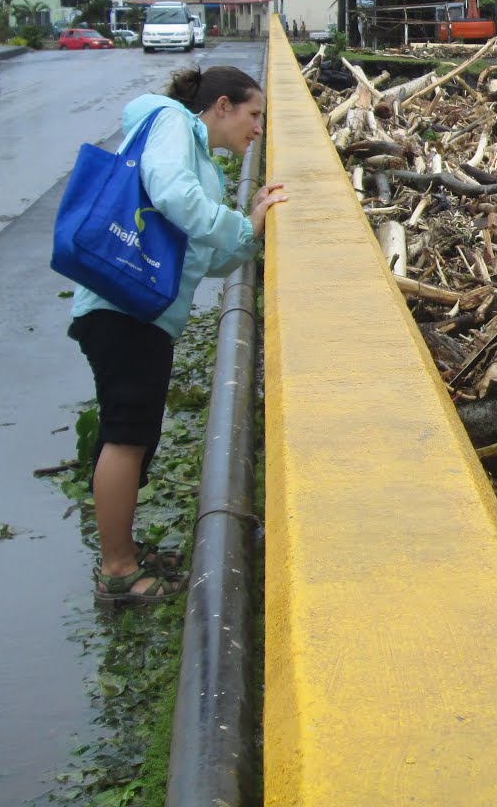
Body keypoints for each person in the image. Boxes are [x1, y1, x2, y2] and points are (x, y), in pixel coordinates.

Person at [68, 65, 287, 605]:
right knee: (126, 434)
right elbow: (170, 192)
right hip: (124, 310)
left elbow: (206, 257)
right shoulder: (170, 122)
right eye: (254, 114)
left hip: (136, 310)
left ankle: (123, 552)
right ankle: (117, 572)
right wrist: (237, 224)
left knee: (131, 432)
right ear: (221, 107)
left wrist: (249, 227)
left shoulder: (202, 164)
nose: (257, 129)